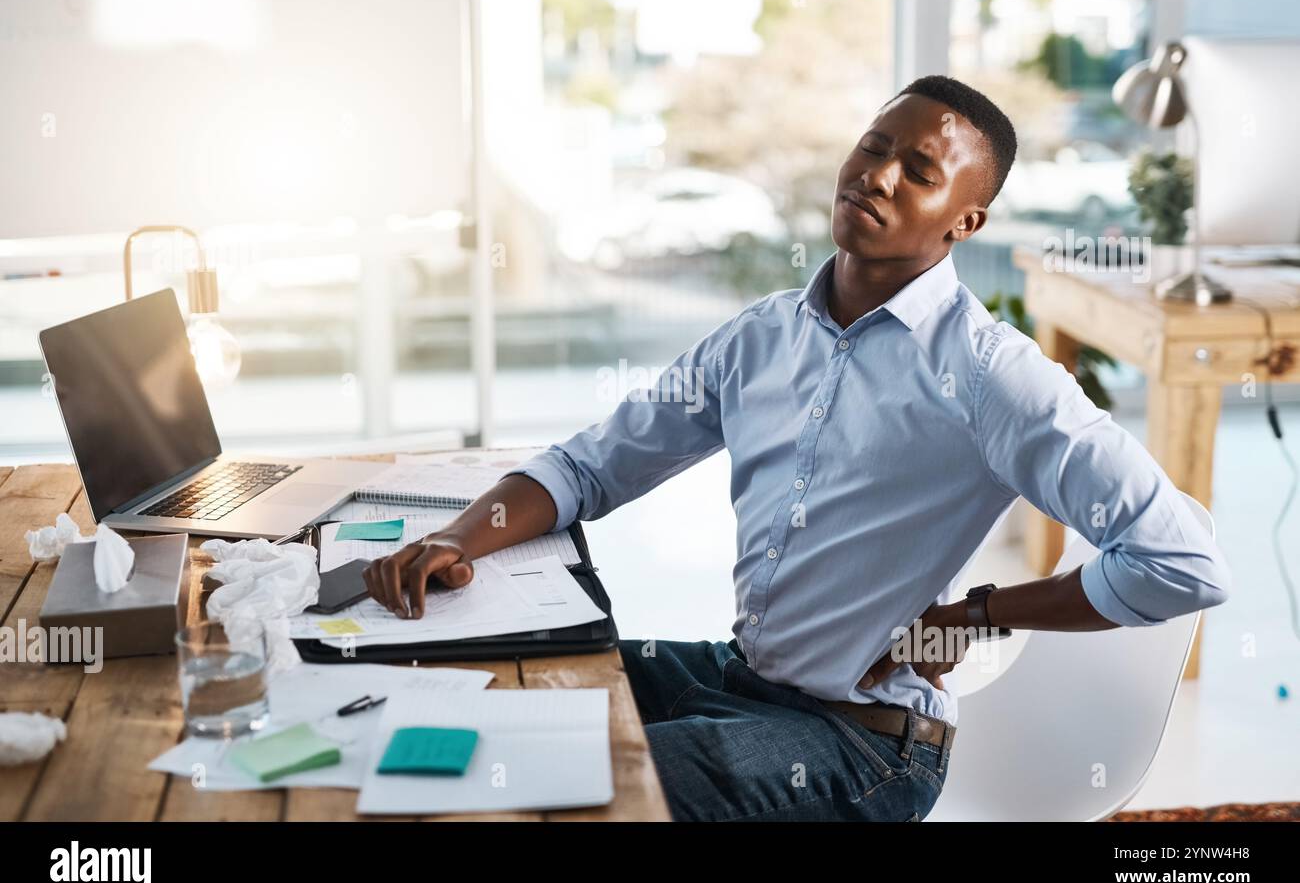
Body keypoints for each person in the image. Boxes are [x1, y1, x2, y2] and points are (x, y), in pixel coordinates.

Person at [362, 75, 1230, 822]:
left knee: (560, 781)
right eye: (872, 146)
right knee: (505, 685)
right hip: (739, 682)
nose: (877, 175)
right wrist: (458, 539)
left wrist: (976, 615)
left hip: (862, 747)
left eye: (918, 171)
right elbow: (591, 465)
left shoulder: (991, 375)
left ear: (966, 219)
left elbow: (1184, 562)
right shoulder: (763, 336)